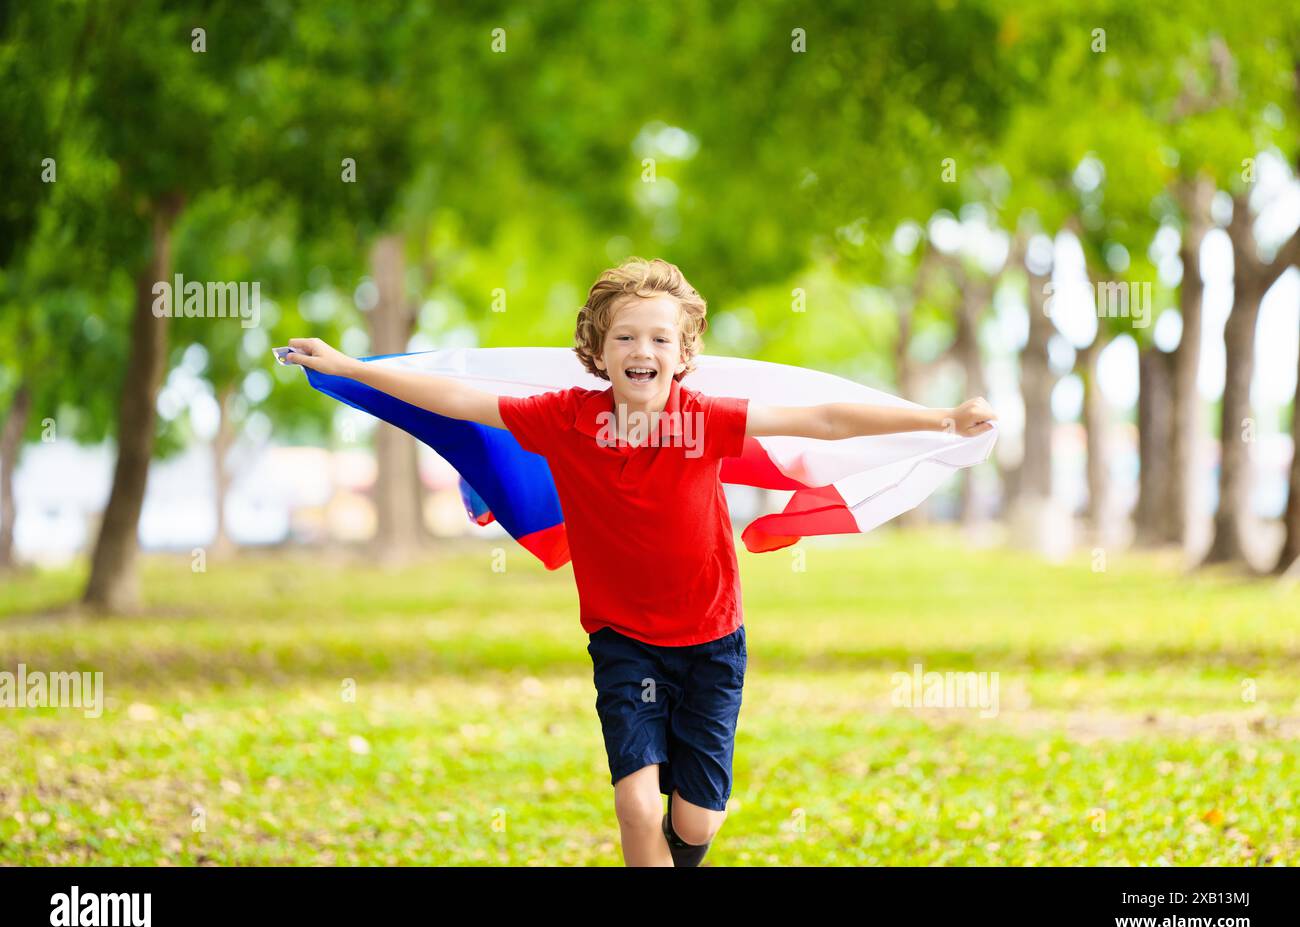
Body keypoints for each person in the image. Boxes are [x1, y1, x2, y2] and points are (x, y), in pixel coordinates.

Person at [282, 256, 995, 866]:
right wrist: (350, 367)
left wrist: (939, 420)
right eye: (624, 335)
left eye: (659, 336)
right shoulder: (566, 418)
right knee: (633, 806)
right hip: (623, 642)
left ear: (683, 355)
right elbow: (463, 397)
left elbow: (825, 421)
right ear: (599, 351)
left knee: (694, 822)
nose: (640, 347)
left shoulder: (705, 417)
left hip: (713, 643)